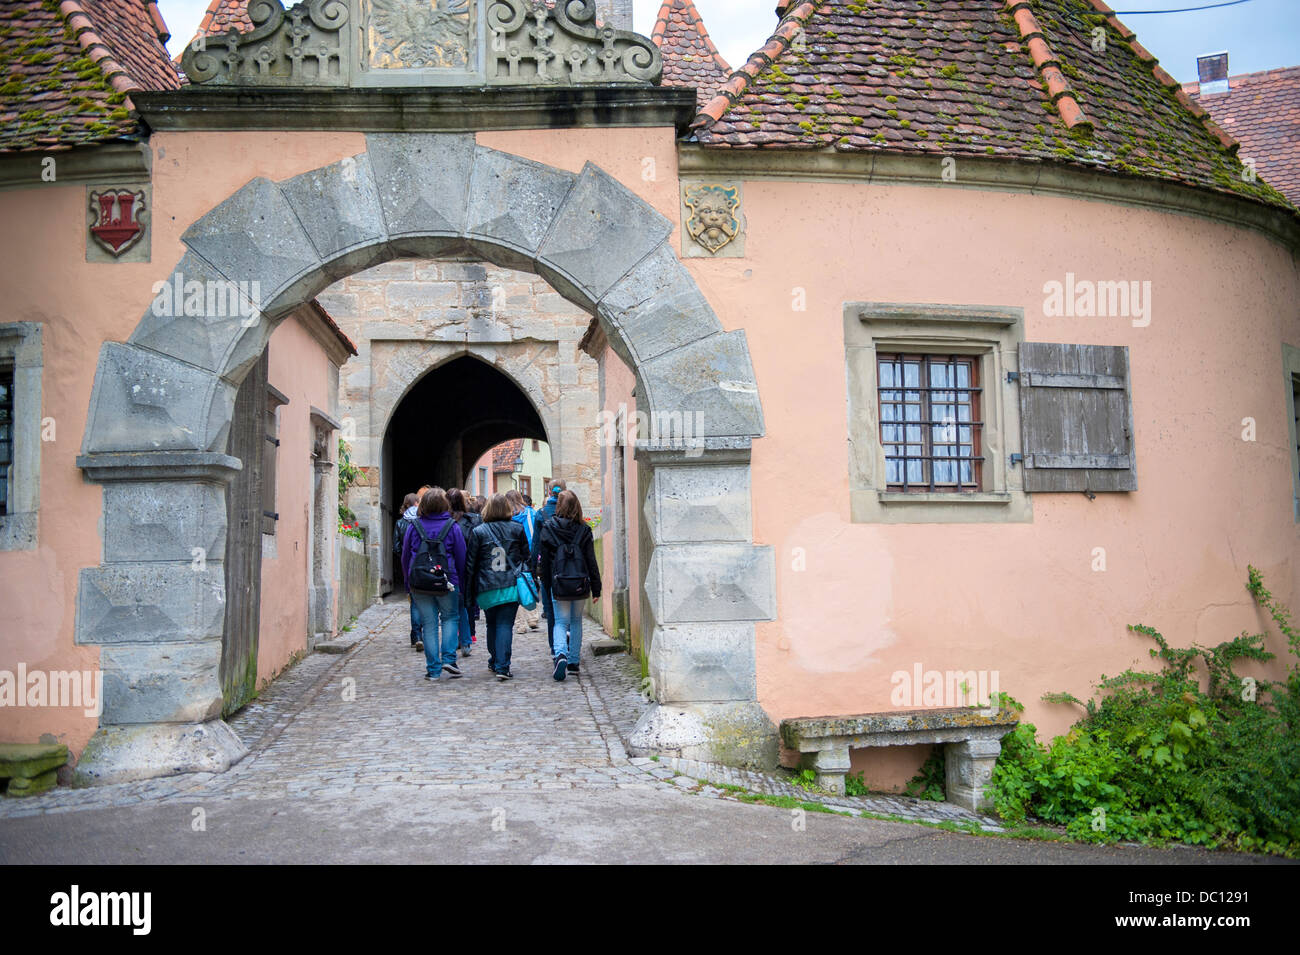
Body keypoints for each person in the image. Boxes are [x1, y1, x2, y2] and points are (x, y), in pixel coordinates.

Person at [401, 487, 468, 682]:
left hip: (420, 582)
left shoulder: (413, 527)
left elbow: (405, 558)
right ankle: (449, 659)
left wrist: (407, 583)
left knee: (429, 624)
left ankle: (433, 669)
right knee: (449, 618)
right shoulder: (452, 526)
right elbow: (461, 557)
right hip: (448, 580)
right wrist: (461, 583)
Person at [464, 493, 530, 681]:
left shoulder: (478, 532)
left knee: (492, 624)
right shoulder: (517, 529)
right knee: (505, 625)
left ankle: (494, 660)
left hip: (486, 586)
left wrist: (469, 593)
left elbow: (471, 564)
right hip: (510, 583)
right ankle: (503, 666)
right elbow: (527, 557)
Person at [536, 490, 601, 682]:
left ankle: (560, 654)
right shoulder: (584, 529)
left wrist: (546, 585)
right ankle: (573, 662)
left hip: (558, 582)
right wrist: (596, 588)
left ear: (558, 506)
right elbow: (591, 561)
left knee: (560, 621)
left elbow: (544, 561)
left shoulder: (549, 527)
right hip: (580, 583)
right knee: (576, 621)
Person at [448, 488, 481, 657]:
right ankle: (466, 640)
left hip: (456, 568)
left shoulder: (445, 521)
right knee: (464, 605)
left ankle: (458, 641)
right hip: (467, 568)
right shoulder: (473, 520)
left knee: (453, 609)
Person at [532, 479, 566, 646]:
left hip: (548, 568)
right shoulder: (571, 512)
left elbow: (536, 544)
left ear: (549, 491)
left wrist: (532, 570)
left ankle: (555, 648)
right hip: (569, 567)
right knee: (570, 610)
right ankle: (569, 646)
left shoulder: (542, 514)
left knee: (551, 611)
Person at [506, 489, 541, 635]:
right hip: (528, 553)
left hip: (513, 555)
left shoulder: (507, 516)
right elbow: (535, 534)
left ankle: (520, 624)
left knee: (516, 587)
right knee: (529, 583)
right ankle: (533, 617)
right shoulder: (530, 513)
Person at [395, 491, 423, 650]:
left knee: (414, 602)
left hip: (410, 565)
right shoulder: (422, 521)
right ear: (416, 503)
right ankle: (423, 633)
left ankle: (416, 635)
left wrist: (405, 559)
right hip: (425, 564)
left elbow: (397, 547)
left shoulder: (400, 523)